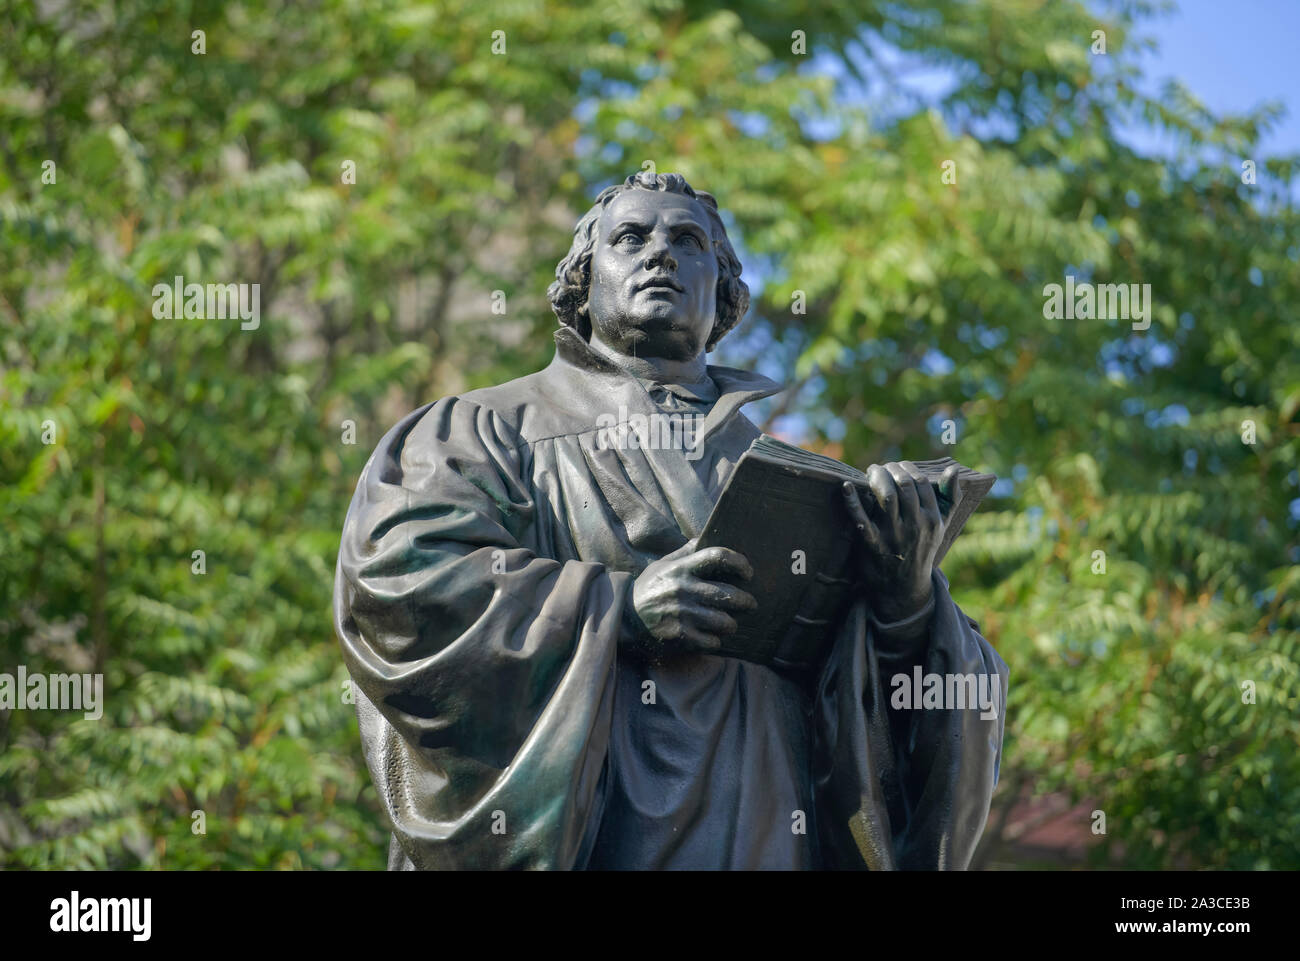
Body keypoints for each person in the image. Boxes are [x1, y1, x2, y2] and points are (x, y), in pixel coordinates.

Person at [334, 171, 1007, 869]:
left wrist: (907, 607)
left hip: (767, 830)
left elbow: (909, 725)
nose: (662, 253)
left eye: (689, 242)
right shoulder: (484, 431)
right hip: (597, 833)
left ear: (722, 291)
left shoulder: (804, 484)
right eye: (632, 237)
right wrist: (617, 607)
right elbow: (398, 581)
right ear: (582, 282)